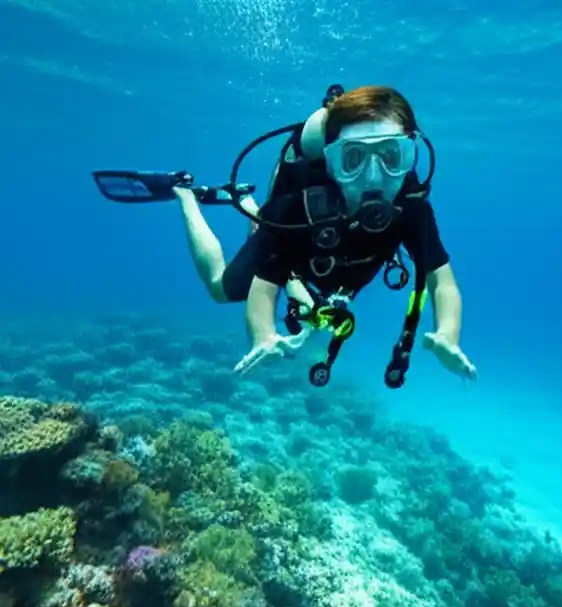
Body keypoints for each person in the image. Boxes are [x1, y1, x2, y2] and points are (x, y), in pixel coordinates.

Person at [93, 84, 476, 388]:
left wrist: (448, 335)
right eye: (354, 159)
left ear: (411, 157)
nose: (373, 178)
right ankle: (184, 192)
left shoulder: (412, 211)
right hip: (293, 234)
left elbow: (441, 281)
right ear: (330, 160)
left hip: (318, 265)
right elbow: (264, 288)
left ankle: (243, 199)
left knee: (313, 304)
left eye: (391, 157)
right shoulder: (298, 207)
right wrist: (263, 333)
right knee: (223, 289)